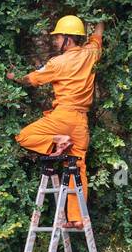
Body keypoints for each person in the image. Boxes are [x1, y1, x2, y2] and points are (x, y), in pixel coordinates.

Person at [8, 15, 104, 228]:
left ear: (68, 39)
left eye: (59, 37)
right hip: (81, 123)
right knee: (78, 166)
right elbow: (97, 36)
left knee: (23, 136)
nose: (55, 41)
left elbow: (30, 80)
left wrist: (14, 77)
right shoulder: (90, 54)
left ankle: (58, 140)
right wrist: (101, 17)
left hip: (62, 117)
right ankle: (77, 218)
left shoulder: (57, 63)